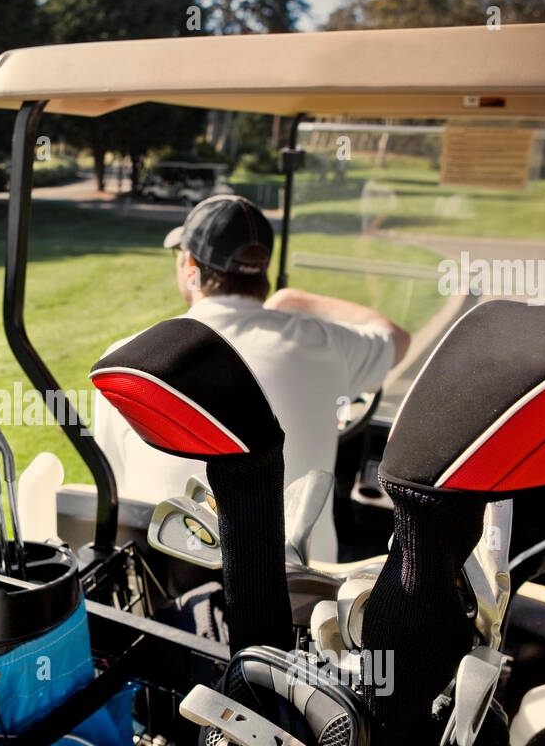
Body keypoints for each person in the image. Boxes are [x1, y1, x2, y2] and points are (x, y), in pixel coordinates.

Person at [93, 194, 410, 562]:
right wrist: (295, 299)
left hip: (170, 592)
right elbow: (397, 339)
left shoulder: (125, 361)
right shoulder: (325, 344)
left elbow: (116, 491)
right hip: (301, 596)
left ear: (190, 265)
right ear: (262, 271)